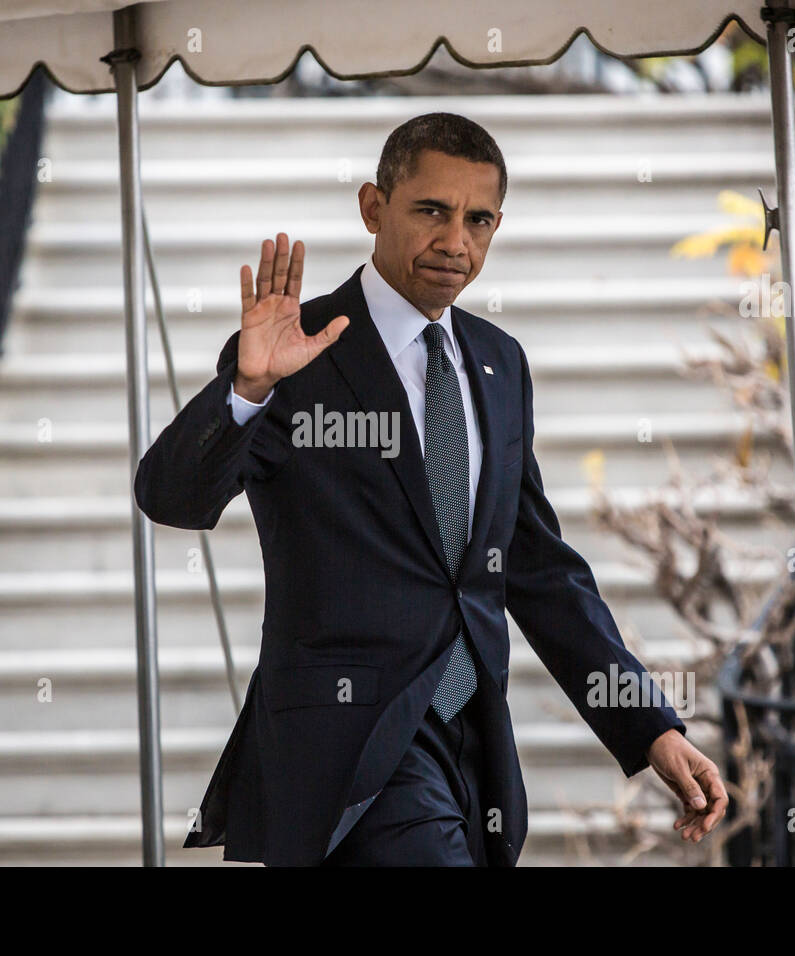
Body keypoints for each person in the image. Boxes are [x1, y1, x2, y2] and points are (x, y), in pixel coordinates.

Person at [134, 112, 727, 866]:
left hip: (471, 748)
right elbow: (171, 497)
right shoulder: (295, 351)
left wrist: (651, 727)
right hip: (346, 745)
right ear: (373, 208)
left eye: (478, 220)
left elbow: (541, 571)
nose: (456, 242)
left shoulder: (499, 361)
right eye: (431, 212)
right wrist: (249, 386)